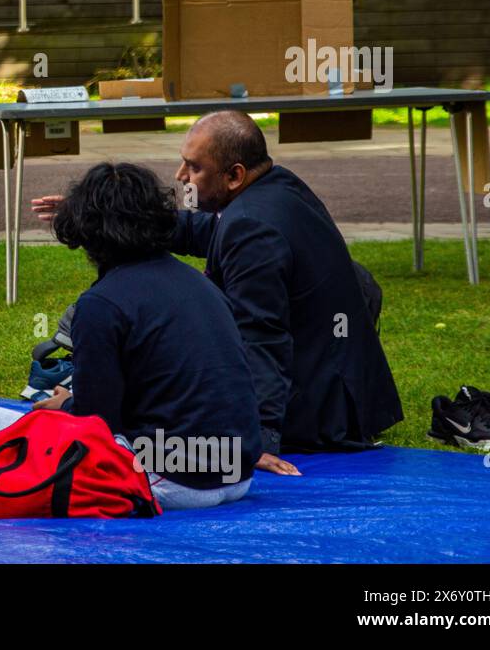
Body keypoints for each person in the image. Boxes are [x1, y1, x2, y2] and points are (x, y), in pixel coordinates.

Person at [33, 110, 403, 475]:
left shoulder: (252, 229)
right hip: (350, 387)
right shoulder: (276, 190)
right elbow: (208, 231)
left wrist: (254, 440)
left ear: (234, 175)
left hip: (319, 414)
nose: (181, 177)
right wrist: (102, 212)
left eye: (194, 168)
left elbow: (261, 339)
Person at [0, 163, 261, 510]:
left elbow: (97, 426)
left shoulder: (102, 305)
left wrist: (66, 406)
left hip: (171, 479)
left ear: (85, 233)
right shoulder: (201, 285)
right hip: (239, 475)